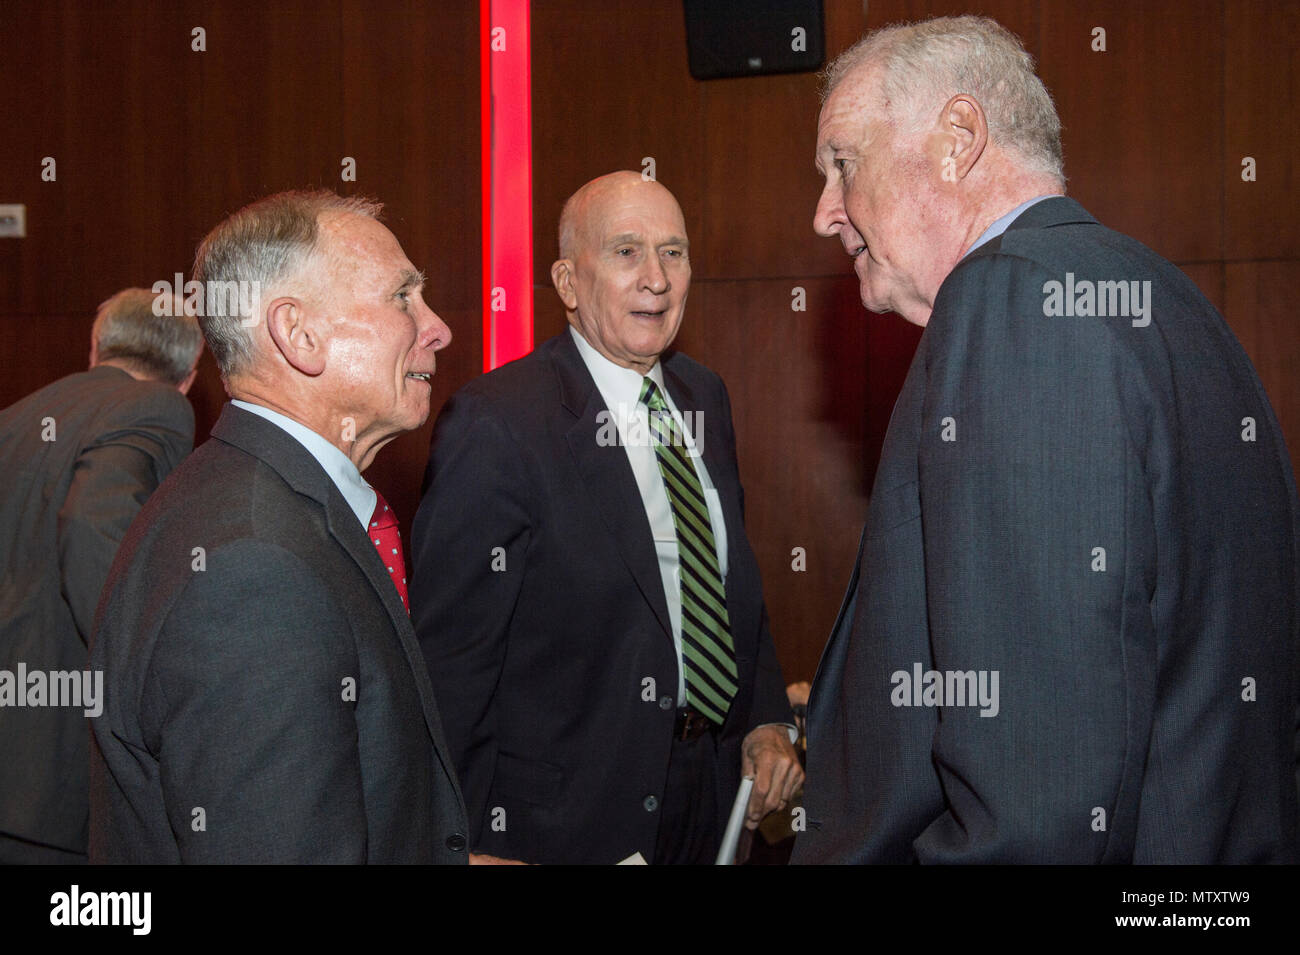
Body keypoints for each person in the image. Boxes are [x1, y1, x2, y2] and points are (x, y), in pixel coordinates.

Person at [795, 15, 1300, 864]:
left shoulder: (1013, 307)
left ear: (958, 138)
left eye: (843, 163)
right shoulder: (1169, 300)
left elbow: (1040, 799)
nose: (824, 213)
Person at [411, 171, 801, 865]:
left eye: (674, 252)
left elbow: (729, 579)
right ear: (567, 280)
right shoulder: (498, 422)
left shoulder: (703, 394)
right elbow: (452, 665)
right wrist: (457, 843)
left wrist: (765, 716)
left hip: (709, 795)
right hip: (564, 824)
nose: (656, 277)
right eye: (626, 252)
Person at [88, 191, 469, 863]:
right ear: (298, 334)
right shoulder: (254, 569)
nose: (437, 327)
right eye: (403, 297)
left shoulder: (245, 499)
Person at [0, 288, 200, 864]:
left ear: (96, 347)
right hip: (53, 780)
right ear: (188, 374)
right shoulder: (158, 407)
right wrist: (147, 681)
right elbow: (92, 525)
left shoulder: (16, 418)